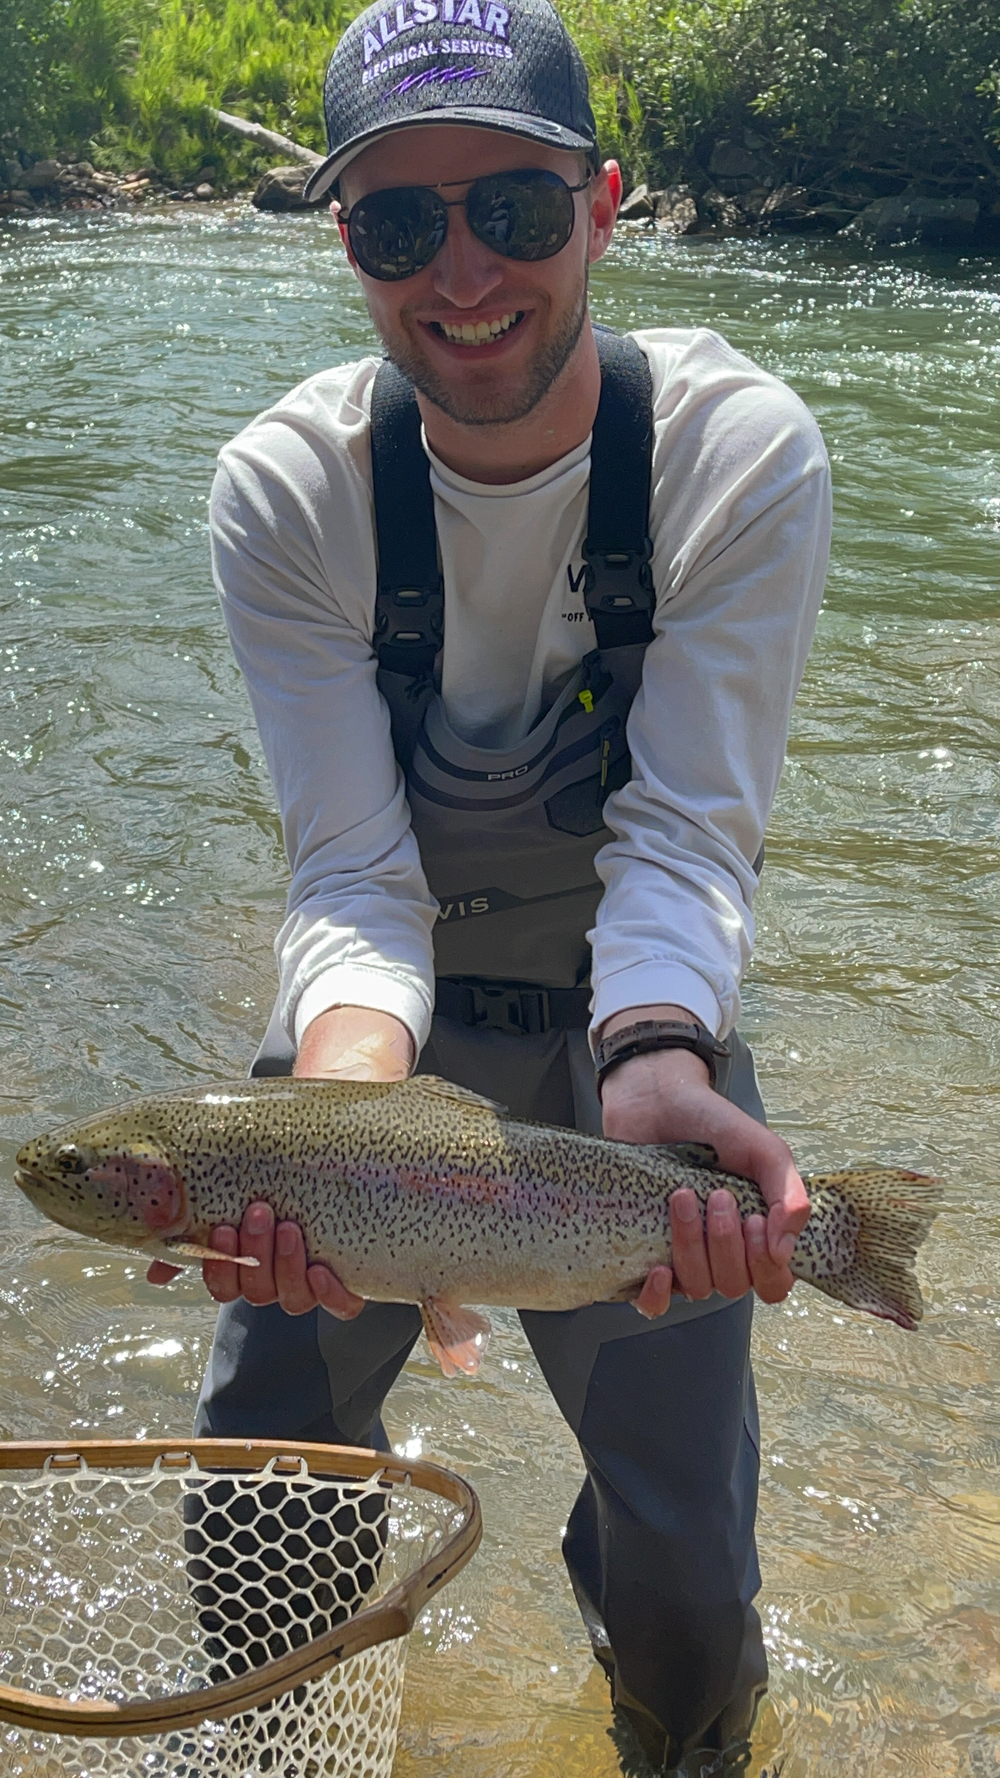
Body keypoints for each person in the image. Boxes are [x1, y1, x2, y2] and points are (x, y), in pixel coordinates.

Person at [149, 2, 831, 1769]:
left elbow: (687, 838)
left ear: (602, 206)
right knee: (264, 1489)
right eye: (400, 221)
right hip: (378, 1036)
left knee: (687, 1577)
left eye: (513, 210)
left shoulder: (738, 455)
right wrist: (334, 1141)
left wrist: (660, 1061)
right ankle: (280, 1743)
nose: (462, 274)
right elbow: (351, 872)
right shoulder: (287, 487)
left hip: (635, 1031)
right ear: (348, 246)